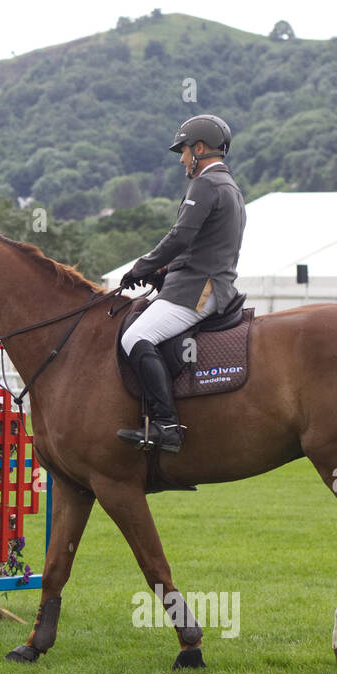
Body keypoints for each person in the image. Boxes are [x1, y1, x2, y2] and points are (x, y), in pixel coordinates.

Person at [117, 114, 246, 454]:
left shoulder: (205, 184)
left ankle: (167, 424)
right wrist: (163, 272)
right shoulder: (228, 185)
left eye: (185, 151)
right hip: (204, 280)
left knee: (135, 336)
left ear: (200, 148)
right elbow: (203, 246)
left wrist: (142, 266)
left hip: (199, 289)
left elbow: (180, 236)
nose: (182, 159)